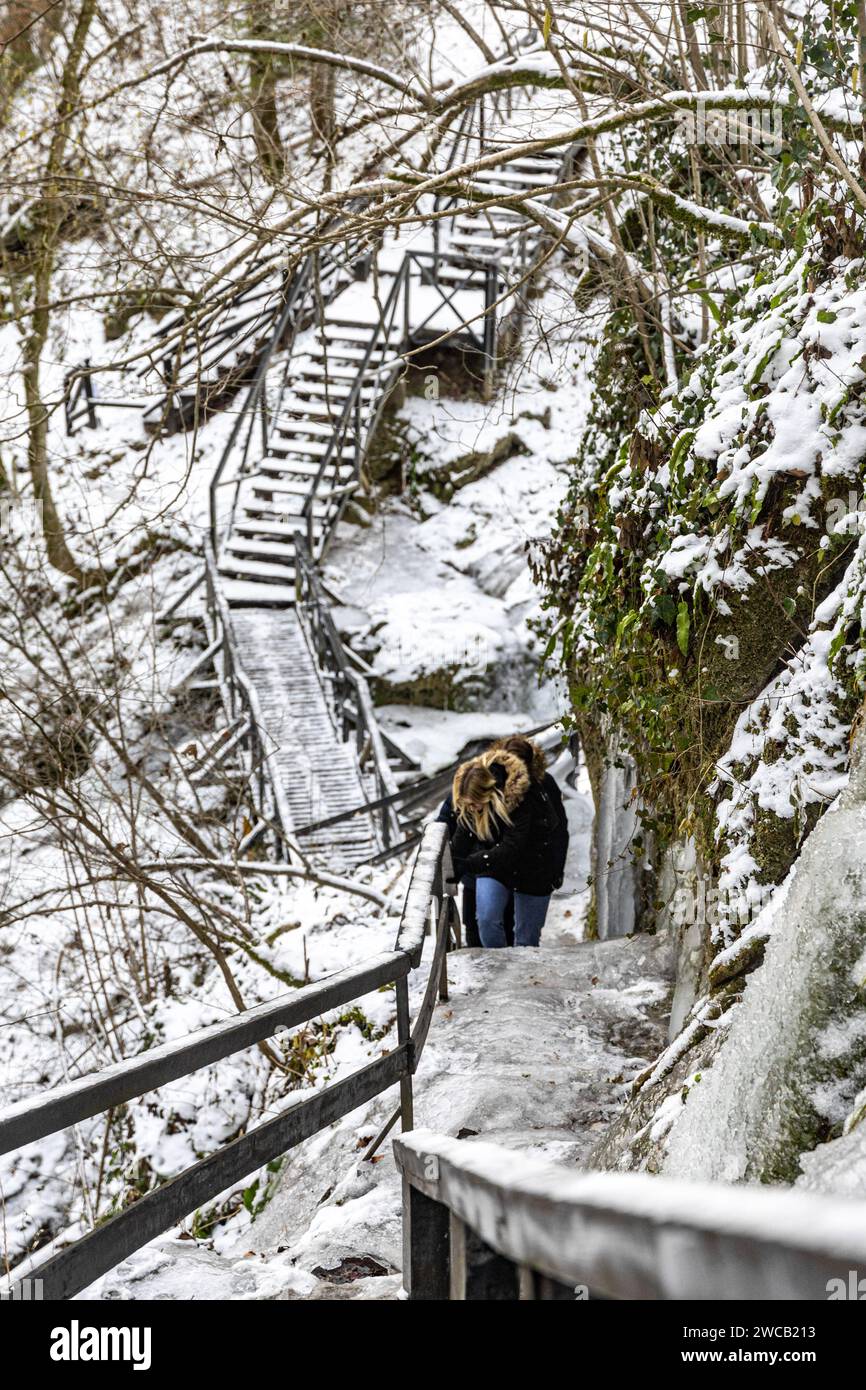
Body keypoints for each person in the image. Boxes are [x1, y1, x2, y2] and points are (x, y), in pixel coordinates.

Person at [450, 740, 568, 948]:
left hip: (535, 868)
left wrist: (556, 870)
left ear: (489, 795)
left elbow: (516, 845)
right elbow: (462, 835)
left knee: (526, 939)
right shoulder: (473, 789)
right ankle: (497, 968)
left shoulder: (528, 794)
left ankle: (520, 975)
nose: (473, 808)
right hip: (497, 866)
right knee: (486, 921)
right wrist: (450, 869)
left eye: (474, 804)